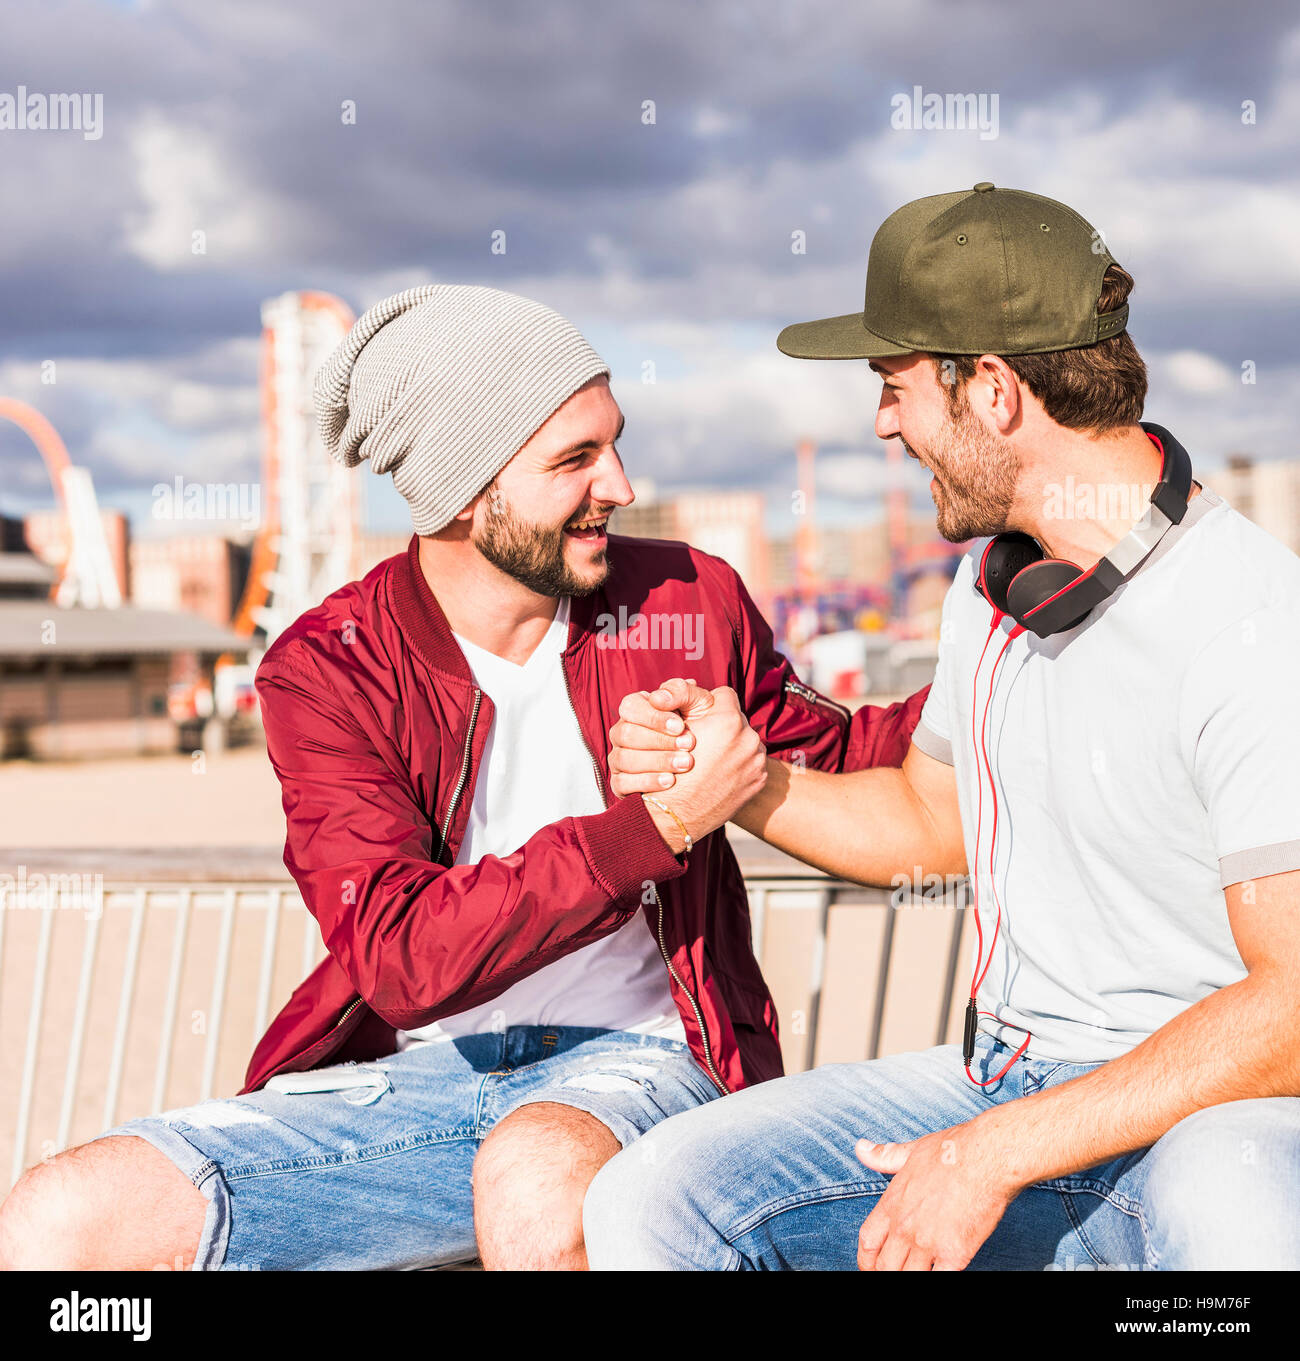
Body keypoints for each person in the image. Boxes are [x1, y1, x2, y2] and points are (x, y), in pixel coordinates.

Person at [0, 285, 924, 1271]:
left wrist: (1030, 632)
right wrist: (652, 826)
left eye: (611, 441)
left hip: (651, 1062)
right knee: (61, 1214)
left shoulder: (685, 597)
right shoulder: (327, 664)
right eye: (573, 458)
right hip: (419, 1079)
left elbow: (853, 750)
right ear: (464, 489)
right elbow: (400, 958)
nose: (618, 480)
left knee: (533, 1168)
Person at [585, 183, 1300, 1271]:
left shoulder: (1248, 619)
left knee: (1238, 1210)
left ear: (996, 390)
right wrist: (734, 775)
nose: (880, 422)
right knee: (656, 1196)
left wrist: (993, 1153)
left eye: (893, 384)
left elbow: (1292, 1000)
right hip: (1002, 1076)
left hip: (1206, 1111)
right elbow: (928, 818)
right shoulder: (990, 584)